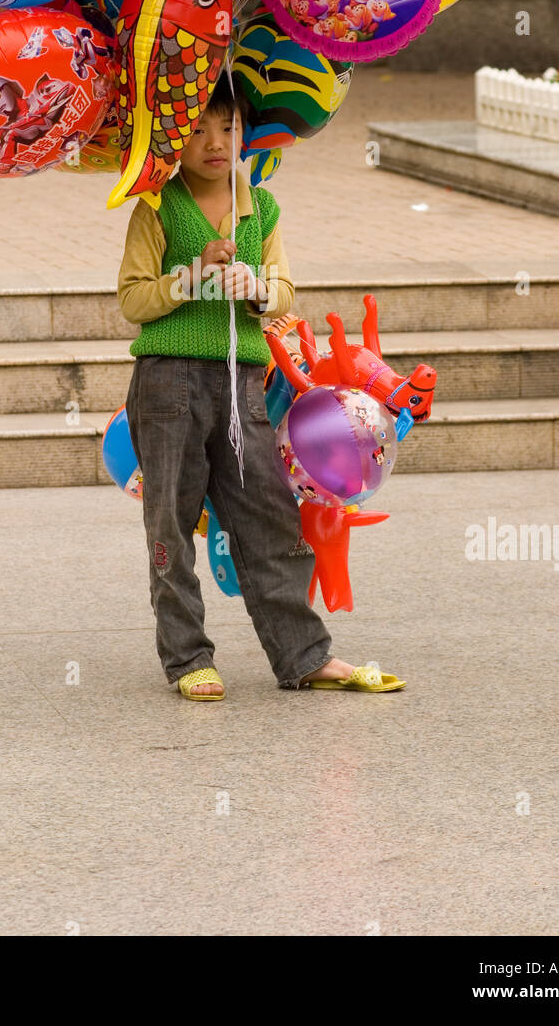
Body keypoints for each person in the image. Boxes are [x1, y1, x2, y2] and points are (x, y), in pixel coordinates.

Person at [116, 81, 405, 700]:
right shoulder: (157, 208)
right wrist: (190, 279)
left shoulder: (263, 210)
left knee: (269, 514)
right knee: (170, 518)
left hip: (242, 382)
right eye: (198, 130)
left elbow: (285, 290)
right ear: (175, 136)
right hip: (169, 381)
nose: (215, 143)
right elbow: (132, 300)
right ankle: (187, 658)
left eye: (229, 129)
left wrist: (256, 288)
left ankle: (303, 655)